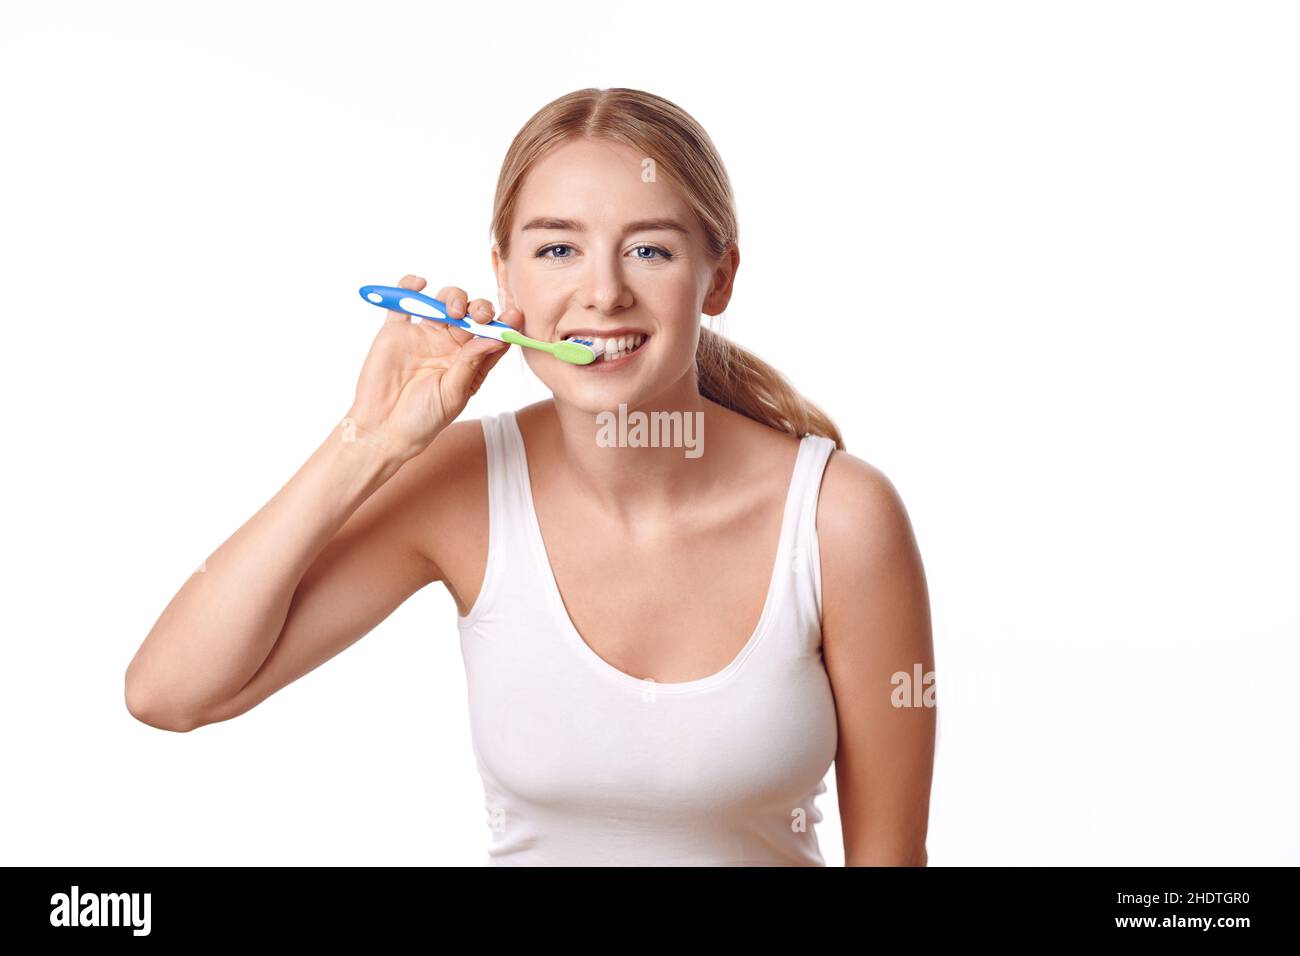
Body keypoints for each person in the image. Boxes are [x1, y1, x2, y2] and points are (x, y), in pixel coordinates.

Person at [126, 87, 936, 866]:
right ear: (505, 277)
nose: (604, 292)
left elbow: (891, 856)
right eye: (557, 249)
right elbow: (171, 693)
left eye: (649, 249)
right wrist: (366, 445)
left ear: (717, 277)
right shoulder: (462, 486)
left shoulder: (839, 516)